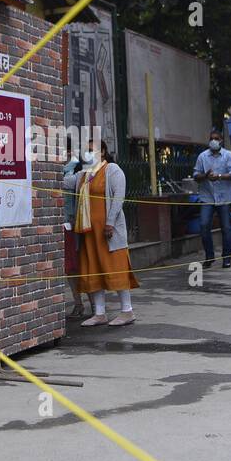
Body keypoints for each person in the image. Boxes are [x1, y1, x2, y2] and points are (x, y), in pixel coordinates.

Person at [67, 139, 139, 326]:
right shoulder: (83, 174)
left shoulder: (112, 170)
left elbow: (118, 198)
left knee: (116, 267)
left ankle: (127, 310)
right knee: (93, 269)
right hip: (88, 231)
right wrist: (65, 166)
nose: (89, 154)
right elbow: (65, 183)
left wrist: (109, 223)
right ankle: (99, 313)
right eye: (86, 151)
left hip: (108, 231)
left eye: (92, 150)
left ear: (104, 151)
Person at [193, 128, 231, 268]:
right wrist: (205, 176)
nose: (213, 141)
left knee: (226, 228)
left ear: (221, 140)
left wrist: (219, 176)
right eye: (211, 138)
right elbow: (196, 175)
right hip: (207, 197)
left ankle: (227, 257)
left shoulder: (228, 155)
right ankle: (209, 256)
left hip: (224, 197)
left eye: (216, 138)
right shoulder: (202, 157)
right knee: (203, 225)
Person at [61, 135, 89, 318]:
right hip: (63, 223)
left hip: (74, 223)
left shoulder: (78, 168)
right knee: (69, 267)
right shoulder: (62, 169)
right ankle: (78, 303)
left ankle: (92, 304)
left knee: (78, 266)